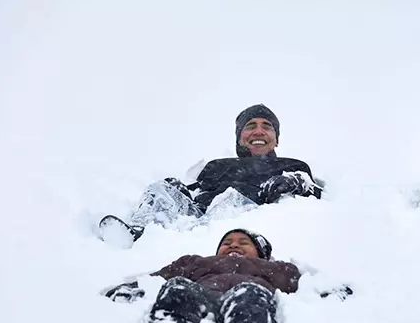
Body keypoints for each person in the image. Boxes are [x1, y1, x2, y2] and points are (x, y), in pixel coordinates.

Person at [98, 104, 323, 246]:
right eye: (250, 125)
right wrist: (179, 189)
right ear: (239, 136)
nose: (259, 131)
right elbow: (198, 190)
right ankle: (138, 234)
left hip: (242, 218)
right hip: (198, 217)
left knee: (230, 197)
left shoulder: (292, 165)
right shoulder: (217, 166)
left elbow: (314, 191)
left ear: (276, 138)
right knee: (160, 188)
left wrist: (293, 181)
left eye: (267, 126)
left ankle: (195, 238)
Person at [105, 229, 300, 323]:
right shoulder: (196, 262)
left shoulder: (273, 268)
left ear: (261, 253)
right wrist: (132, 288)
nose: (233, 245)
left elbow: (303, 284)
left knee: (249, 295)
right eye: (227, 242)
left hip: (249, 292)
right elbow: (157, 278)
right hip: (203, 293)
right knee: (179, 288)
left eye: (244, 243)